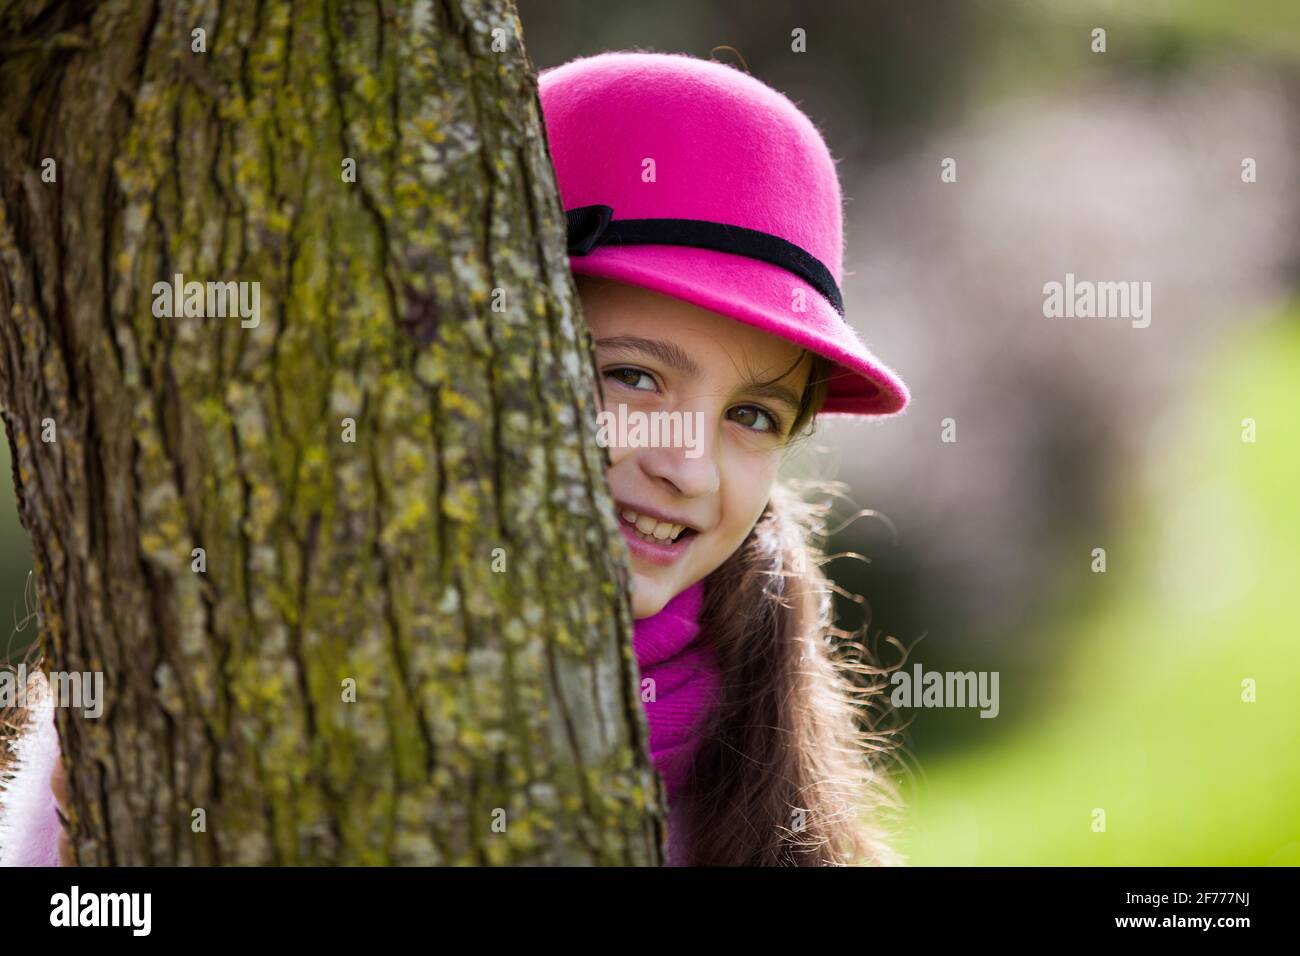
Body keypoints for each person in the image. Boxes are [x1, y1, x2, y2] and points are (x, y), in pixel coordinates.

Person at [0, 50, 911, 867]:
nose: (691, 468)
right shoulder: (212, 670)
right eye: (631, 377)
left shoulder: (767, 771)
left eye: (752, 414)